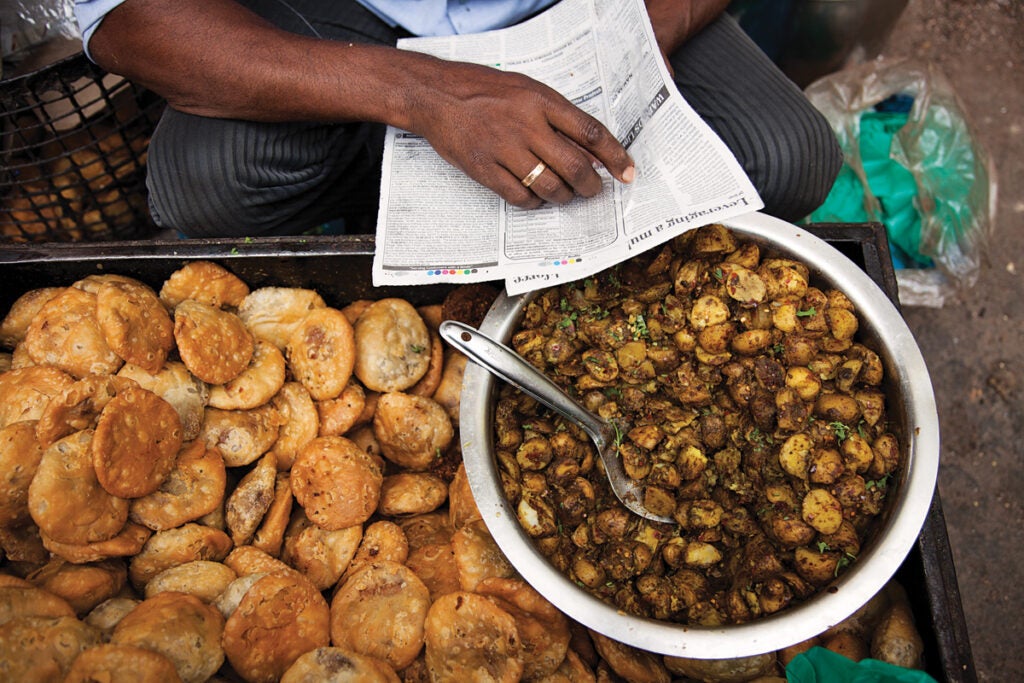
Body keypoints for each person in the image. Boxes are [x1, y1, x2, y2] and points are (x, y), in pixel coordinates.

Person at [75, 0, 841, 238]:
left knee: (784, 156)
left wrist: (644, 30)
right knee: (212, 186)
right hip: (340, 18)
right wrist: (426, 98)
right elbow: (124, 18)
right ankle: (412, 203)